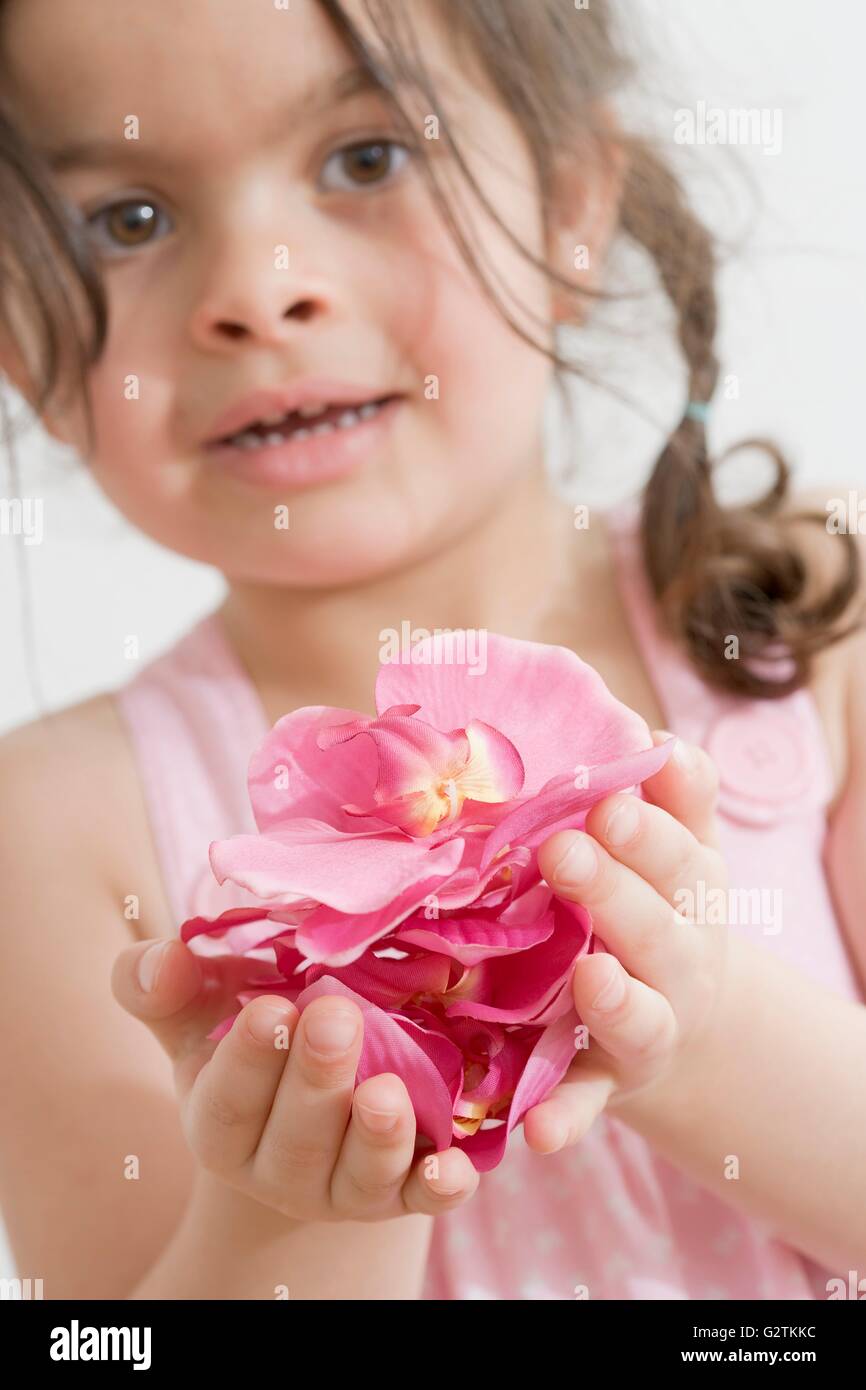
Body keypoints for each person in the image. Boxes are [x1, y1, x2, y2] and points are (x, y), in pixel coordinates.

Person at [0, 0, 864, 1301]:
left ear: (573, 200)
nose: (256, 289)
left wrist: (694, 1032)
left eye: (365, 157)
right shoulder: (52, 832)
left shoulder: (810, 634)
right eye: (127, 218)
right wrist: (300, 1203)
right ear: (20, 347)